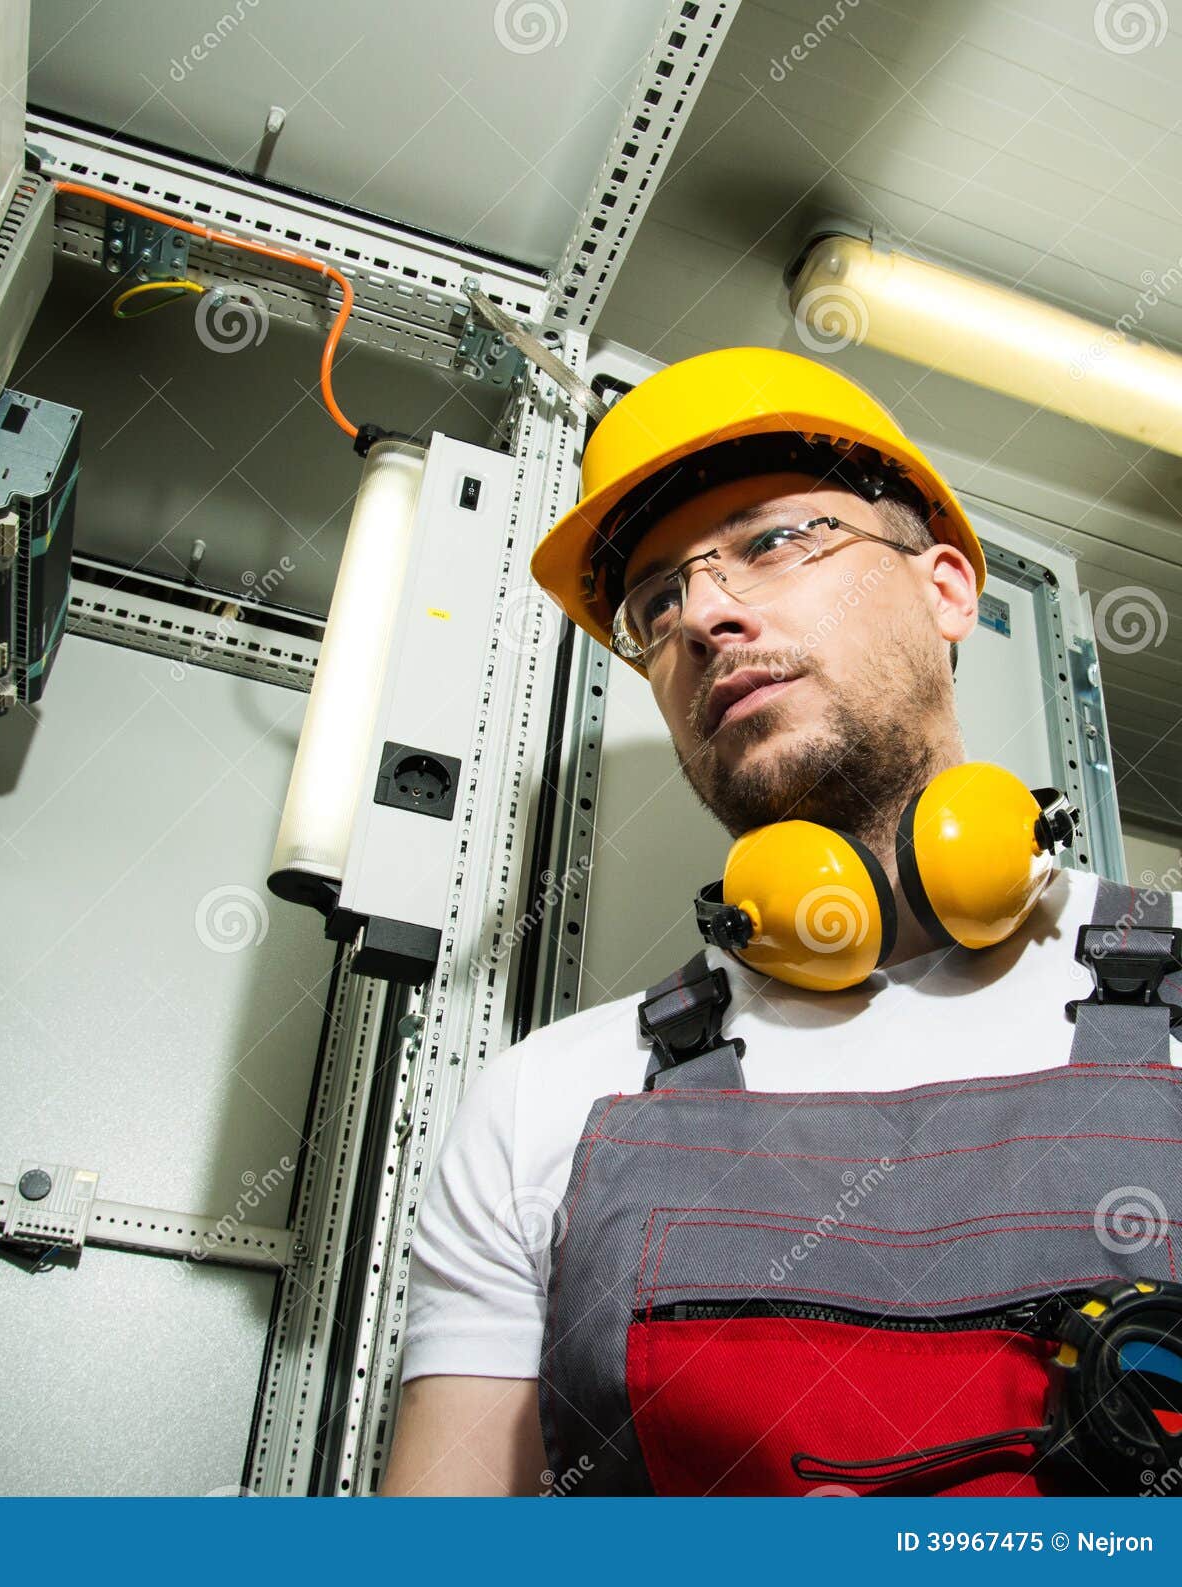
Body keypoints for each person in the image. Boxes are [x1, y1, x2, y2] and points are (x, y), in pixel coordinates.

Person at [380, 346, 1182, 1497]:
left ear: (947, 587)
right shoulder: (550, 1100)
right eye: (654, 601)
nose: (704, 613)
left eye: (771, 539)